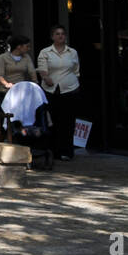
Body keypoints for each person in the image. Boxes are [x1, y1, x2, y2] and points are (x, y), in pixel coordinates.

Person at [37, 24, 80, 161]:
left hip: (70, 88)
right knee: (53, 120)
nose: (60, 36)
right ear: (52, 37)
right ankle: (53, 150)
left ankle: (67, 151)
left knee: (68, 121)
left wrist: (74, 82)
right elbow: (42, 68)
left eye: (62, 34)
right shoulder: (45, 52)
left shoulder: (72, 52)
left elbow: (76, 69)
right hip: (51, 89)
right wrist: (46, 77)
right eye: (57, 34)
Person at [0, 35, 38, 107]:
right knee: (5, 115)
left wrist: (35, 84)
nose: (29, 49)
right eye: (27, 46)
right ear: (19, 46)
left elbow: (32, 72)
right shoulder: (3, 57)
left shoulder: (26, 57)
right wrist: (7, 84)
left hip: (20, 91)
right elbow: (0, 75)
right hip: (4, 91)